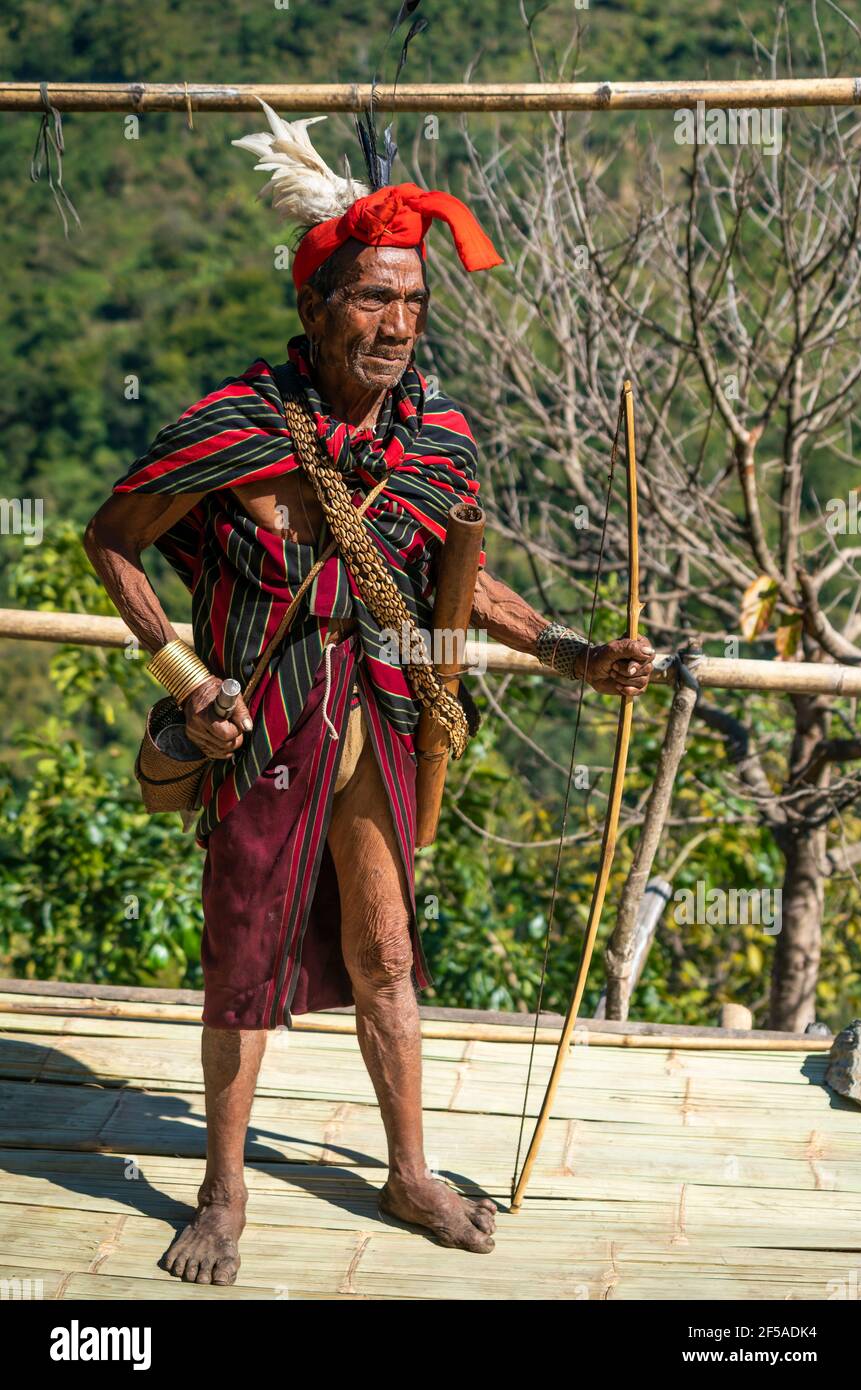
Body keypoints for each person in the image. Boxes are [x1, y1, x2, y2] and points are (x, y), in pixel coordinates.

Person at [84, 104, 655, 1285]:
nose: (396, 324)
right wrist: (185, 683)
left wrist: (573, 652)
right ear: (314, 307)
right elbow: (113, 536)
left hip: (380, 712)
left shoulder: (433, 436)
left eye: (412, 301)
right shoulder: (238, 427)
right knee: (243, 953)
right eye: (372, 298)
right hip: (263, 721)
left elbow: (461, 577)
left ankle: (407, 1168)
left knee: (388, 948)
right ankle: (224, 1188)